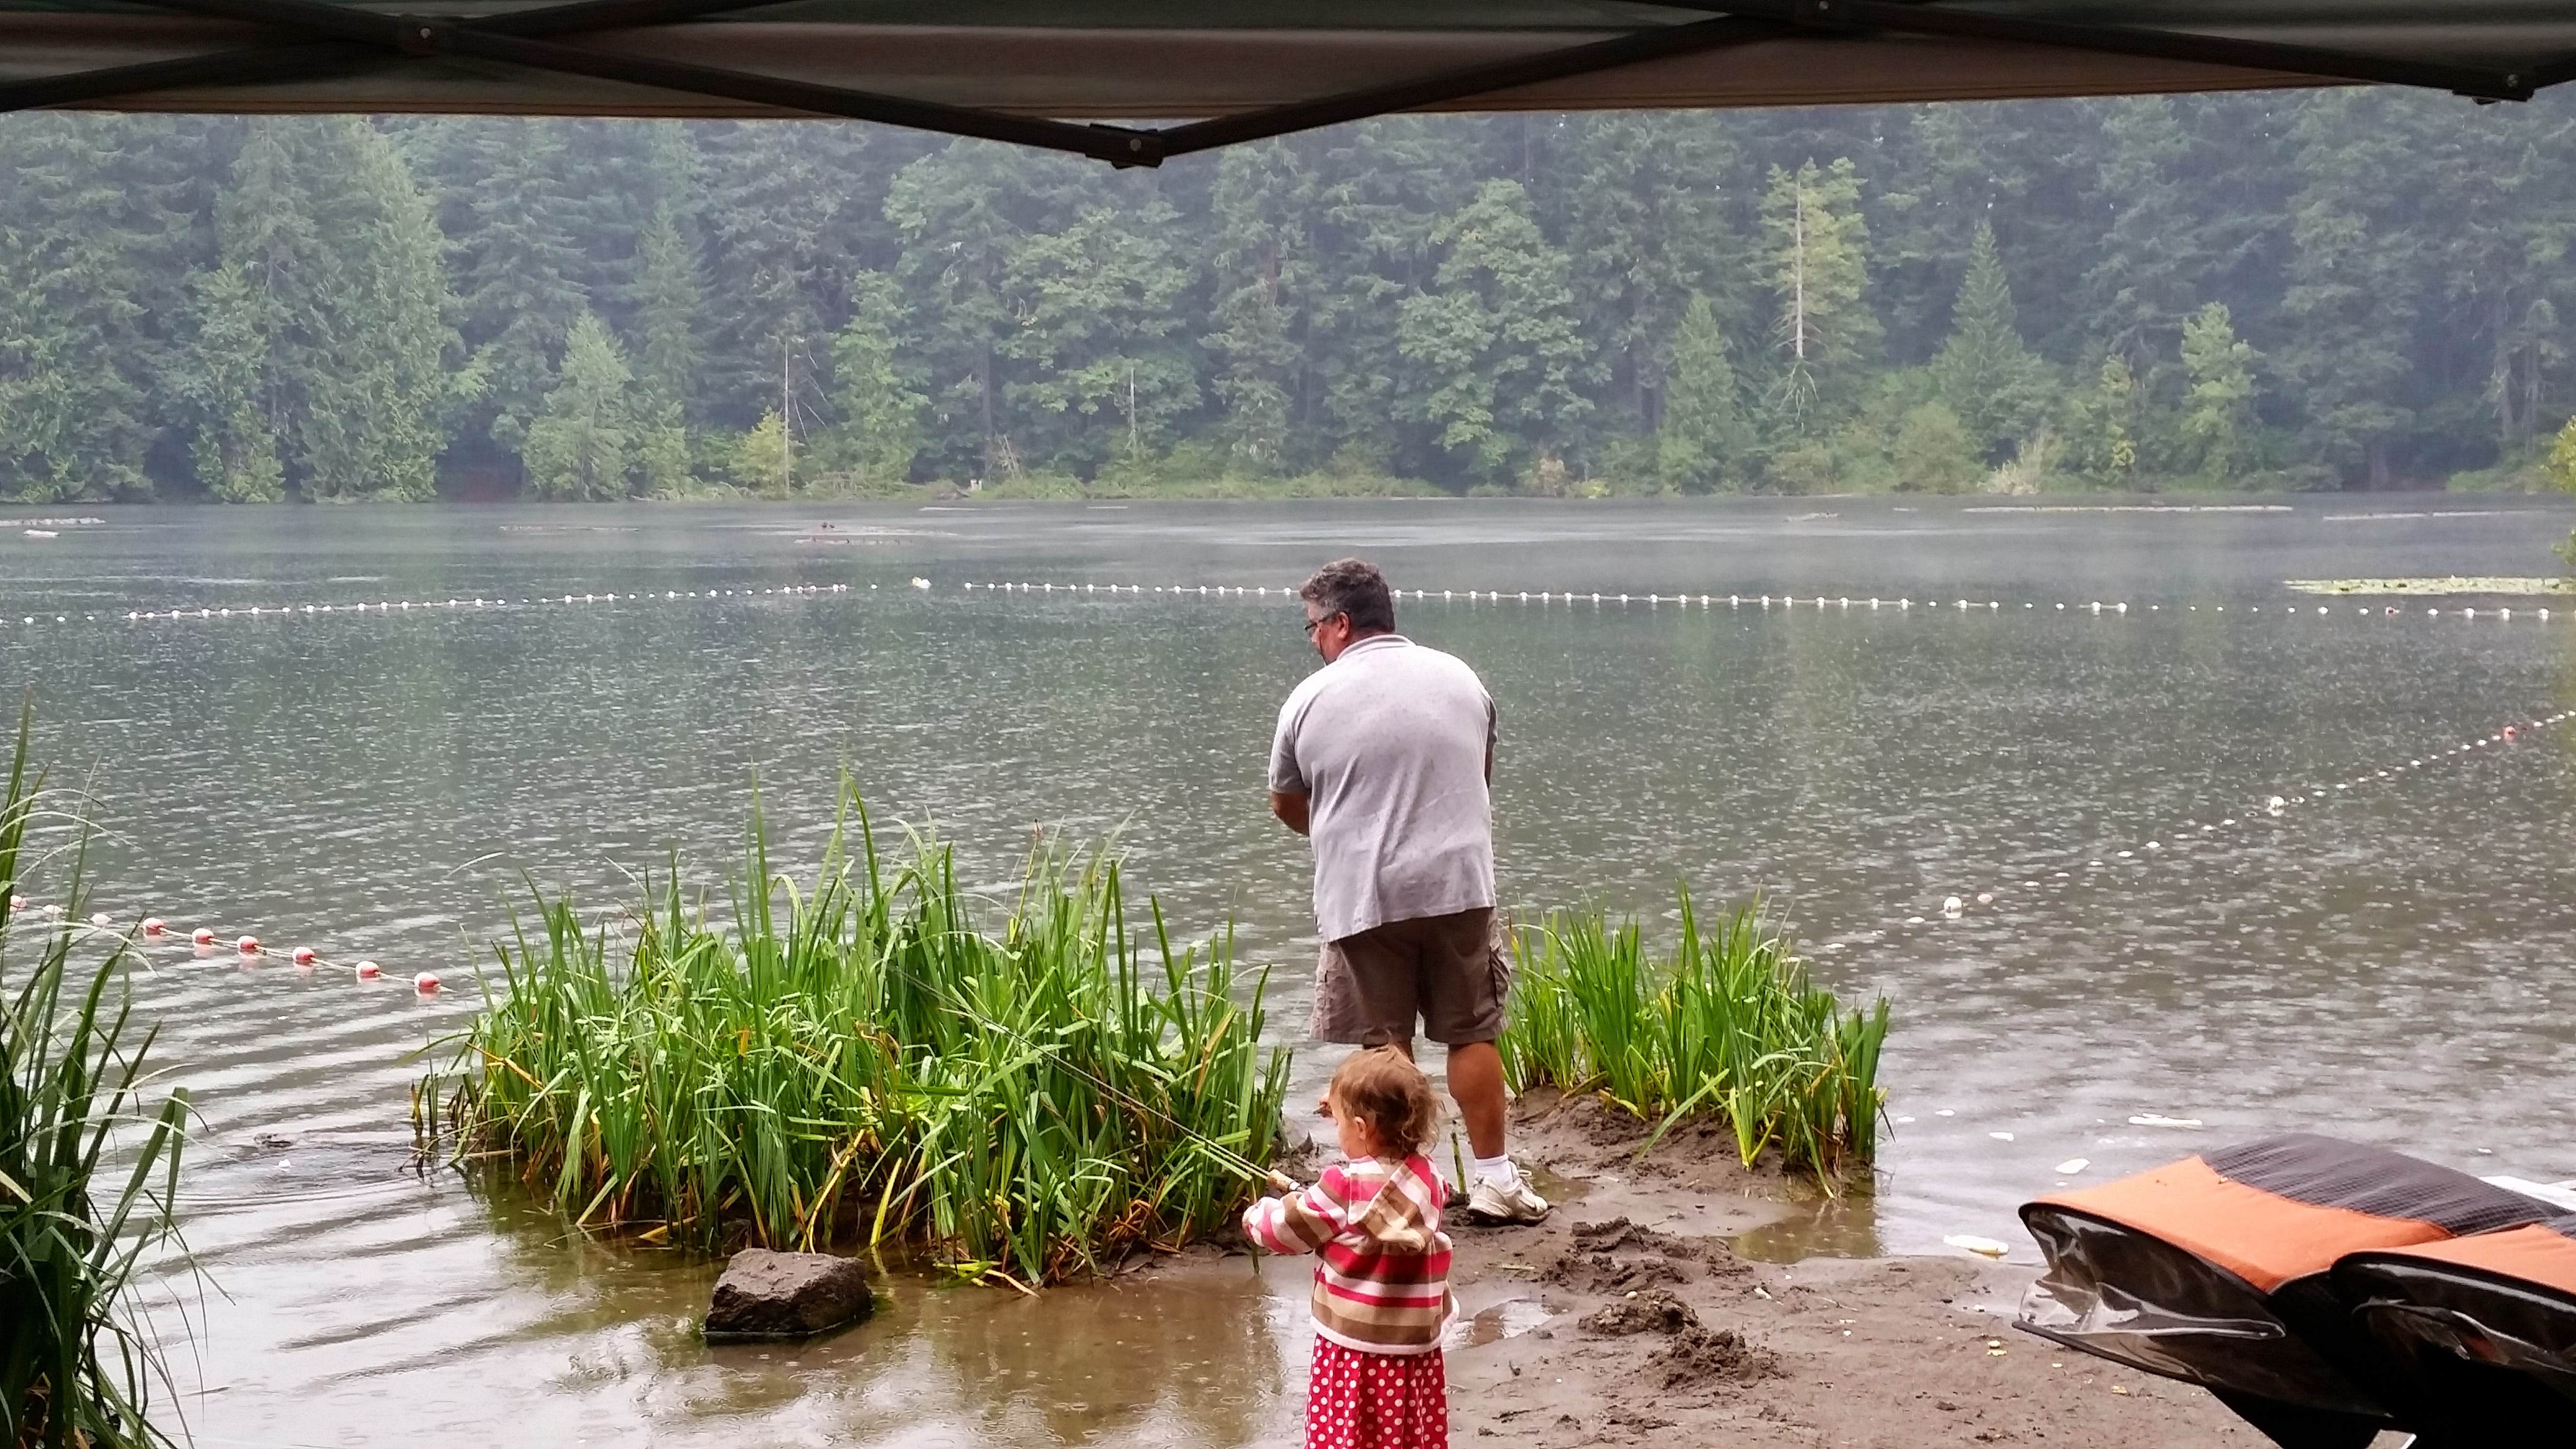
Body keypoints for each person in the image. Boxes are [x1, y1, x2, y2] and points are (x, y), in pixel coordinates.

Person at [1268, 557, 1548, 1224]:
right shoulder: (1461, 678)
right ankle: (1496, 1180)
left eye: (1313, 627)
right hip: (1458, 885)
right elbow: (1478, 776)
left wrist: (1340, 835)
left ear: (1340, 624)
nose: (1313, 640)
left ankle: (1395, 1185)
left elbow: (1286, 803)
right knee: (1472, 1033)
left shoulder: (1309, 699)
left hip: (1363, 894)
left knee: (1383, 1047)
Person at [1243, 1047, 1454, 1449]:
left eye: (1338, 1121)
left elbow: (1285, 1230)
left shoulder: (1342, 1187)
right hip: (1413, 1351)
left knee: (1346, 1434)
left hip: (1352, 1352)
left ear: (1360, 1128)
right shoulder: (1429, 1179)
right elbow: (1408, 1187)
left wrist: (1257, 1215)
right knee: (1407, 1434)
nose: (1335, 1128)